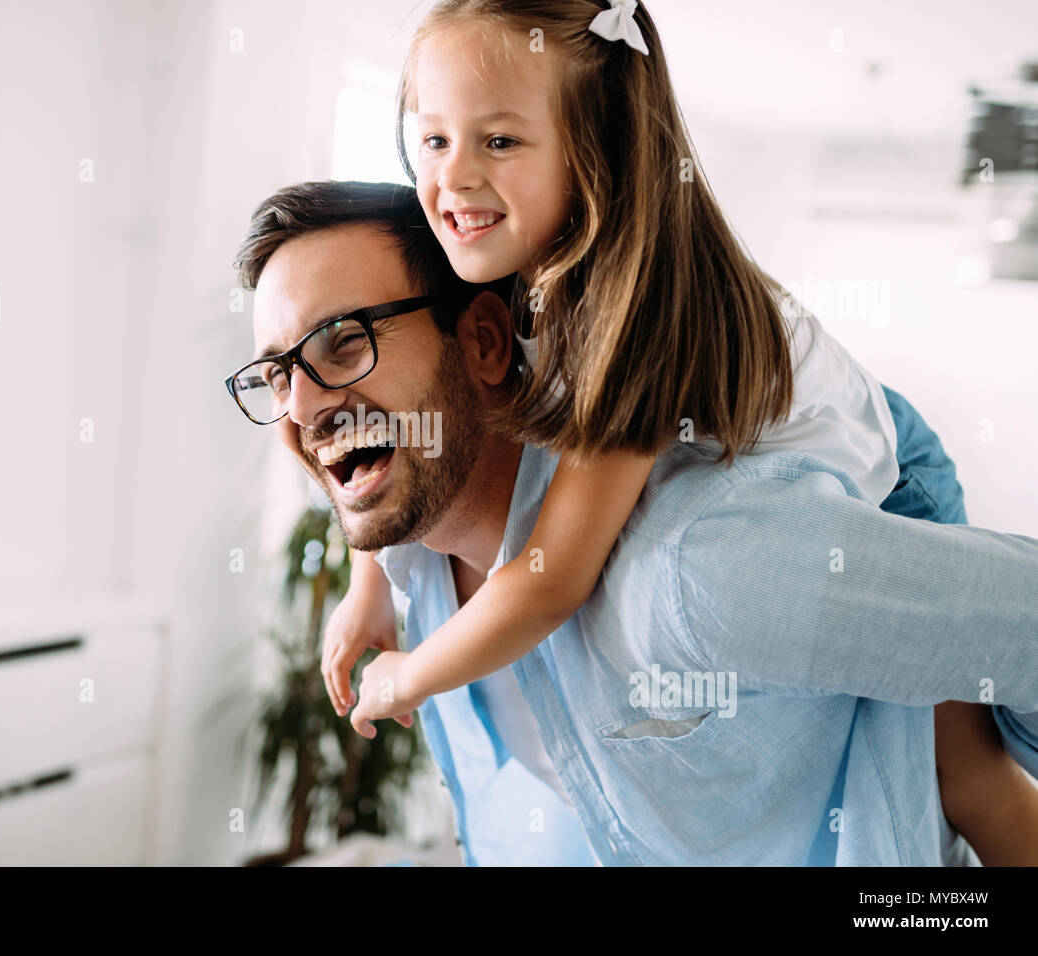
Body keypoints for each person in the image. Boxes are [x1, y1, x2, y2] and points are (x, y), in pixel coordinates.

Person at [312, 0, 1038, 863]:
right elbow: (414, 403)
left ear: (594, 150)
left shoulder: (632, 307)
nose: (454, 175)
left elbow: (550, 579)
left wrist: (413, 674)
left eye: (499, 140)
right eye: (433, 139)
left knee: (965, 770)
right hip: (761, 450)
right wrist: (369, 583)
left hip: (888, 472)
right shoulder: (501, 247)